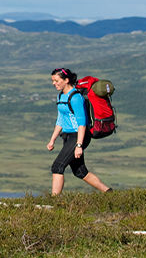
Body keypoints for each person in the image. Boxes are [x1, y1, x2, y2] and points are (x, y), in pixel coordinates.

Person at [46, 67, 111, 195]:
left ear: (66, 80)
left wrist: (79, 145)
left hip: (79, 136)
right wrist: (52, 140)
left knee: (57, 167)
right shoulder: (61, 96)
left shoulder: (76, 98)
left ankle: (53, 202)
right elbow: (60, 120)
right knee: (80, 171)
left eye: (56, 80)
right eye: (53, 81)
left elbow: (82, 123)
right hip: (68, 136)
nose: (54, 83)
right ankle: (110, 193)